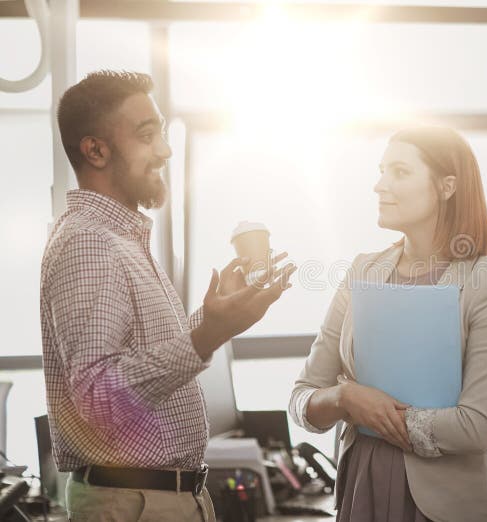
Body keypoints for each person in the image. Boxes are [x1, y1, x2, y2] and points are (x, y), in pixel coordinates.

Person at [41, 70, 296, 521]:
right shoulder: (88, 242)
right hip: (134, 504)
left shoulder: (121, 238)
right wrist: (206, 338)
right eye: (147, 134)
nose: (165, 149)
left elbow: (145, 359)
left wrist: (214, 318)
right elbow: (98, 400)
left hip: (160, 499)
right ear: (95, 150)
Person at [289, 126, 487, 522]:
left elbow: (475, 426)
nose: (380, 185)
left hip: (448, 505)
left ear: (447, 186)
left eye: (399, 172)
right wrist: (346, 399)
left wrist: (373, 412)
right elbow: (302, 396)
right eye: (381, 171)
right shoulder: (362, 271)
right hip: (363, 490)